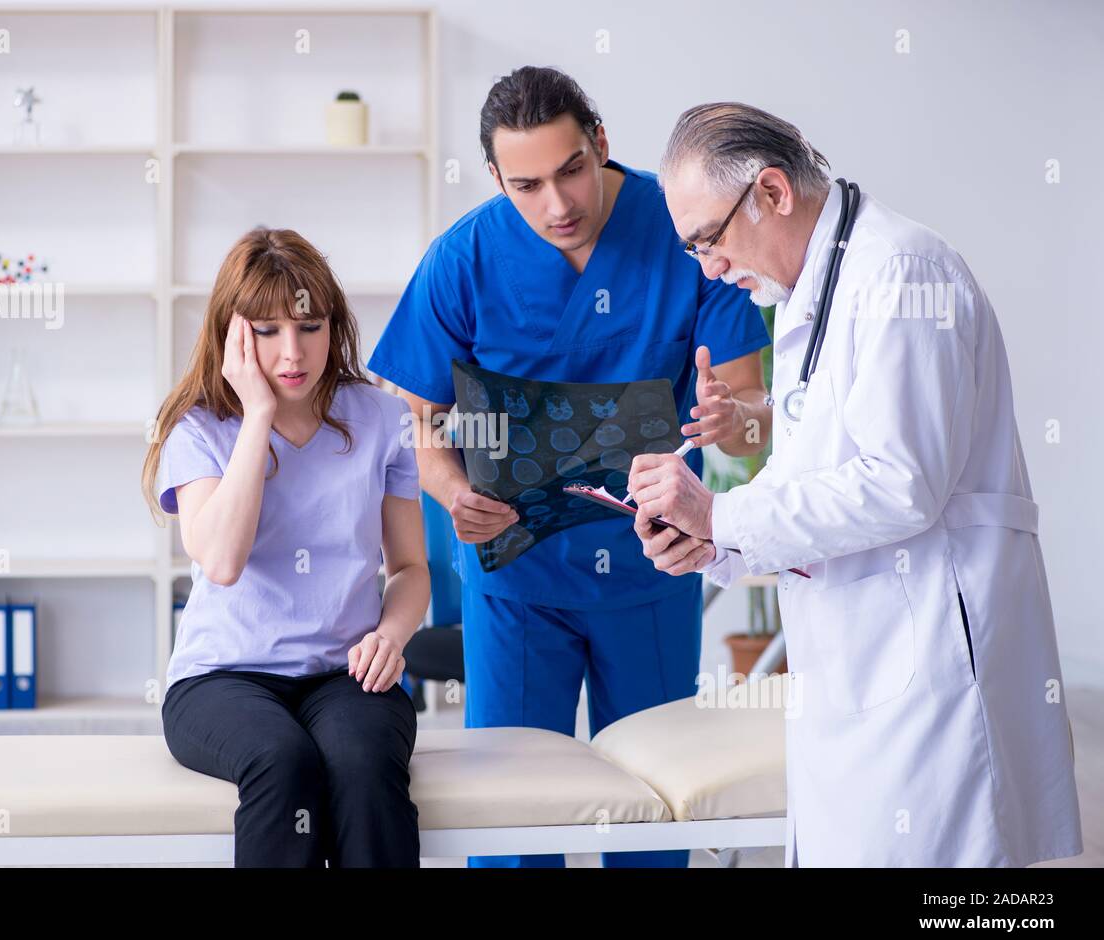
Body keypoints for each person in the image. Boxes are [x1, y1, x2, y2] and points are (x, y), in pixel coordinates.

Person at [631, 102, 1083, 867]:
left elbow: (901, 483)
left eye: (708, 239)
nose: (708, 267)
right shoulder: (813, 293)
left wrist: (721, 513)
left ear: (771, 191)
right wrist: (713, 543)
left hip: (926, 657)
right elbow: (806, 482)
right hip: (854, 656)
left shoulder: (902, 273)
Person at [367, 66, 771, 868]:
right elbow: (420, 421)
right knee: (516, 815)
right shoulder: (465, 258)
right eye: (527, 184)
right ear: (494, 178)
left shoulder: (685, 229)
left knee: (659, 811)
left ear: (601, 145)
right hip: (517, 579)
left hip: (650, 570)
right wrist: (451, 492)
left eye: (572, 169)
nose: (557, 204)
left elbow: (754, 420)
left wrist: (735, 419)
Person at [142, 227, 431, 867]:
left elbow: (410, 568)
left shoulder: (382, 421)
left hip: (344, 674)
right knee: (282, 759)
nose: (293, 352)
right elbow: (220, 561)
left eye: (310, 326)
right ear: (233, 336)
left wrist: (392, 634)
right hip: (221, 680)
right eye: (267, 332)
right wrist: (257, 416)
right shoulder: (198, 429)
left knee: (362, 764)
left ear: (334, 325)